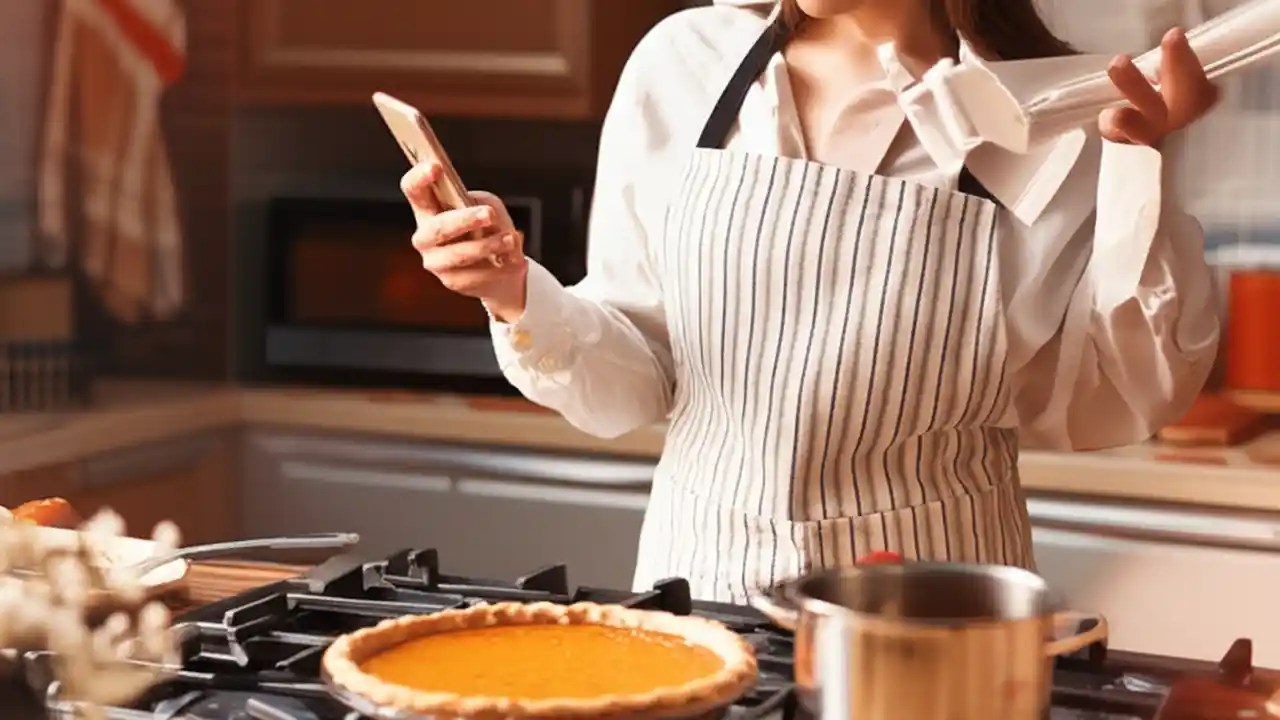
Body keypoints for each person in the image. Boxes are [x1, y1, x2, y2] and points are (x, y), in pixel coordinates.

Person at [399, 0, 1220, 602]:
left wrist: (1140, 162)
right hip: (701, 595)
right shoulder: (683, 67)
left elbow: (1123, 391)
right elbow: (639, 381)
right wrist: (514, 292)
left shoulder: (1051, 114)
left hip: (936, 607)